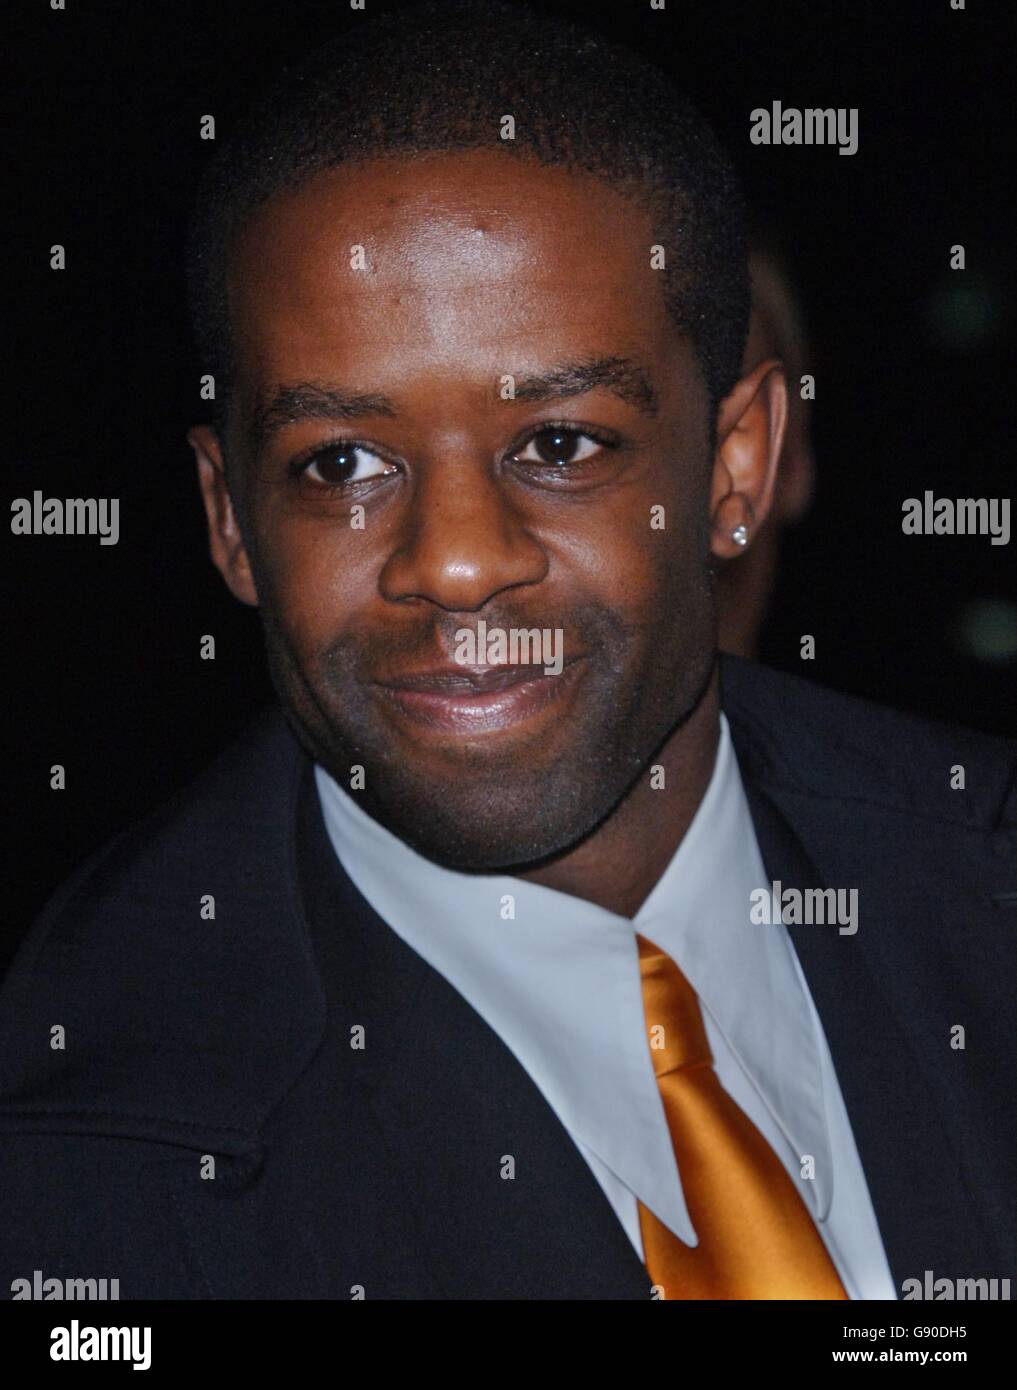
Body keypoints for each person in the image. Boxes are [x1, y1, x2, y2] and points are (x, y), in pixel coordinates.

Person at [2, 0, 1014, 1301]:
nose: (460, 559)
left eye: (559, 442)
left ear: (736, 462)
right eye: (343, 462)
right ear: (229, 522)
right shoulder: (75, 1174)